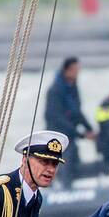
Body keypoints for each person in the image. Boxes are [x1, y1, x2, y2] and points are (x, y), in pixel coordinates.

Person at [44, 57, 95, 186]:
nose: (78, 73)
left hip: (71, 135)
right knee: (65, 164)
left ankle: (75, 191)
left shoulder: (73, 87)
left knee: (75, 163)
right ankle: (63, 191)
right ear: (67, 70)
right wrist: (81, 134)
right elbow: (56, 118)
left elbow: (77, 112)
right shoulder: (55, 91)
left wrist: (89, 129)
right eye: (75, 70)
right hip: (59, 137)